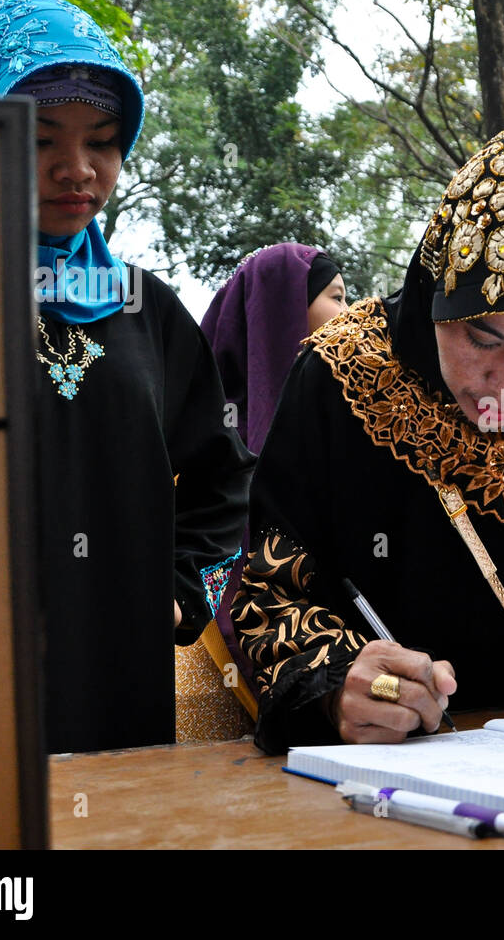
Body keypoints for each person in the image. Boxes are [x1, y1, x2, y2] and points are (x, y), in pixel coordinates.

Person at [233, 127, 504, 751]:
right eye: (484, 339)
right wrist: (334, 687)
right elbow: (274, 588)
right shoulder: (348, 374)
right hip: (373, 766)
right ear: (438, 286)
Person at [0, 0, 254, 753]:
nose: (78, 169)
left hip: (115, 692)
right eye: (40, 136)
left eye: (106, 142)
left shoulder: (147, 310)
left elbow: (227, 482)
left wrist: (180, 597)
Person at [195, 244, 348, 715]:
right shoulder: (206, 447)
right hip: (217, 692)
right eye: (338, 296)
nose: (353, 312)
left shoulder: (347, 425)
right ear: (281, 315)